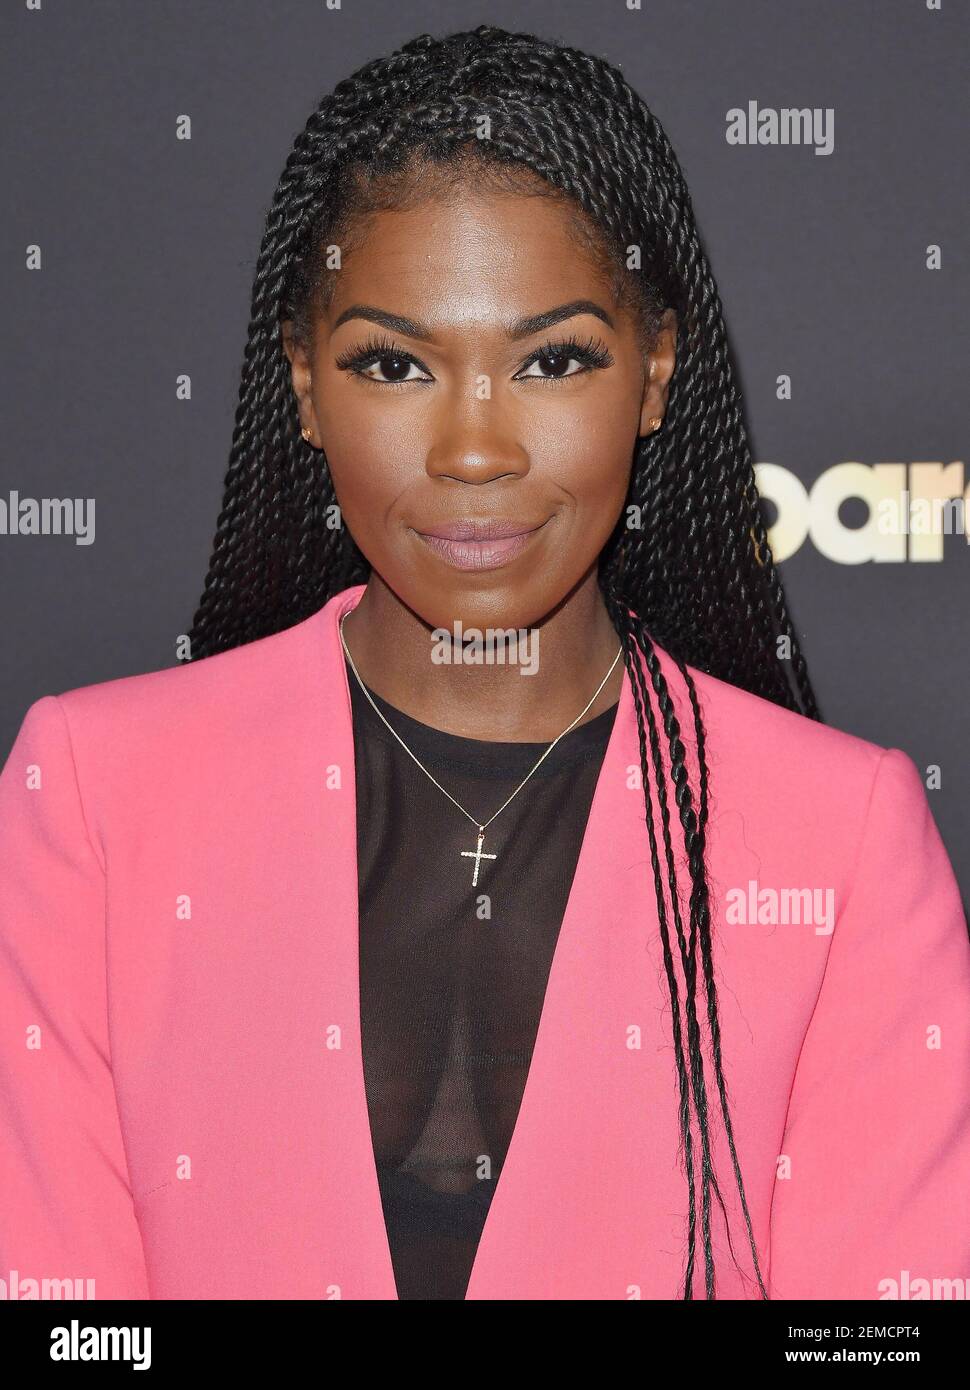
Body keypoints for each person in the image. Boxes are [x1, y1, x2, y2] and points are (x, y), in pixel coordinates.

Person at [1, 24, 968, 1302]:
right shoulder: (94, 795)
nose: (473, 447)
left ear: (655, 372)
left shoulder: (839, 838)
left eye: (553, 359)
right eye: (393, 363)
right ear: (301, 382)